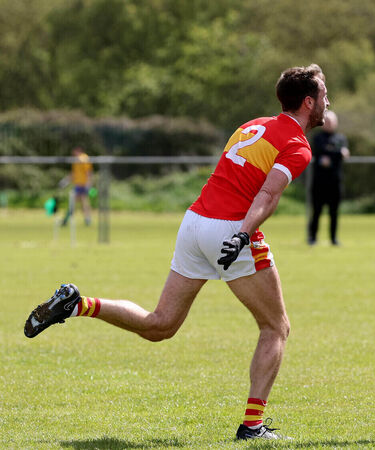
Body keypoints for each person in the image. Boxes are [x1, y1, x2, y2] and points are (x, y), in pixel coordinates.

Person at [24, 64, 329, 441]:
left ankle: (77, 304)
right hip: (229, 228)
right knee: (276, 327)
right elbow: (266, 195)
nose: (327, 103)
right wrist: (242, 235)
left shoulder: (252, 125)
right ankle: (252, 426)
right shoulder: (297, 146)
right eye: (324, 95)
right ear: (308, 102)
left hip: (194, 222)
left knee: (160, 324)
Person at [307, 110, 350, 245]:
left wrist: (329, 154)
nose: (330, 124)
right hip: (319, 182)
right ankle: (312, 238)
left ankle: (333, 239)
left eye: (332, 121)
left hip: (335, 182)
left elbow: (342, 153)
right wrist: (337, 153)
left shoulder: (341, 138)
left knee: (334, 212)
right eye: (328, 121)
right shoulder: (317, 137)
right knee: (316, 211)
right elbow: (320, 151)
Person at [62, 146, 93, 226]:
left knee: (80, 201)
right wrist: (66, 181)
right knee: (82, 202)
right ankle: (87, 220)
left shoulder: (84, 158)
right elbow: (74, 173)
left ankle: (67, 219)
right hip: (77, 184)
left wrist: (88, 183)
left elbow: (88, 172)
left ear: (78, 150)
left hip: (83, 184)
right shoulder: (75, 160)